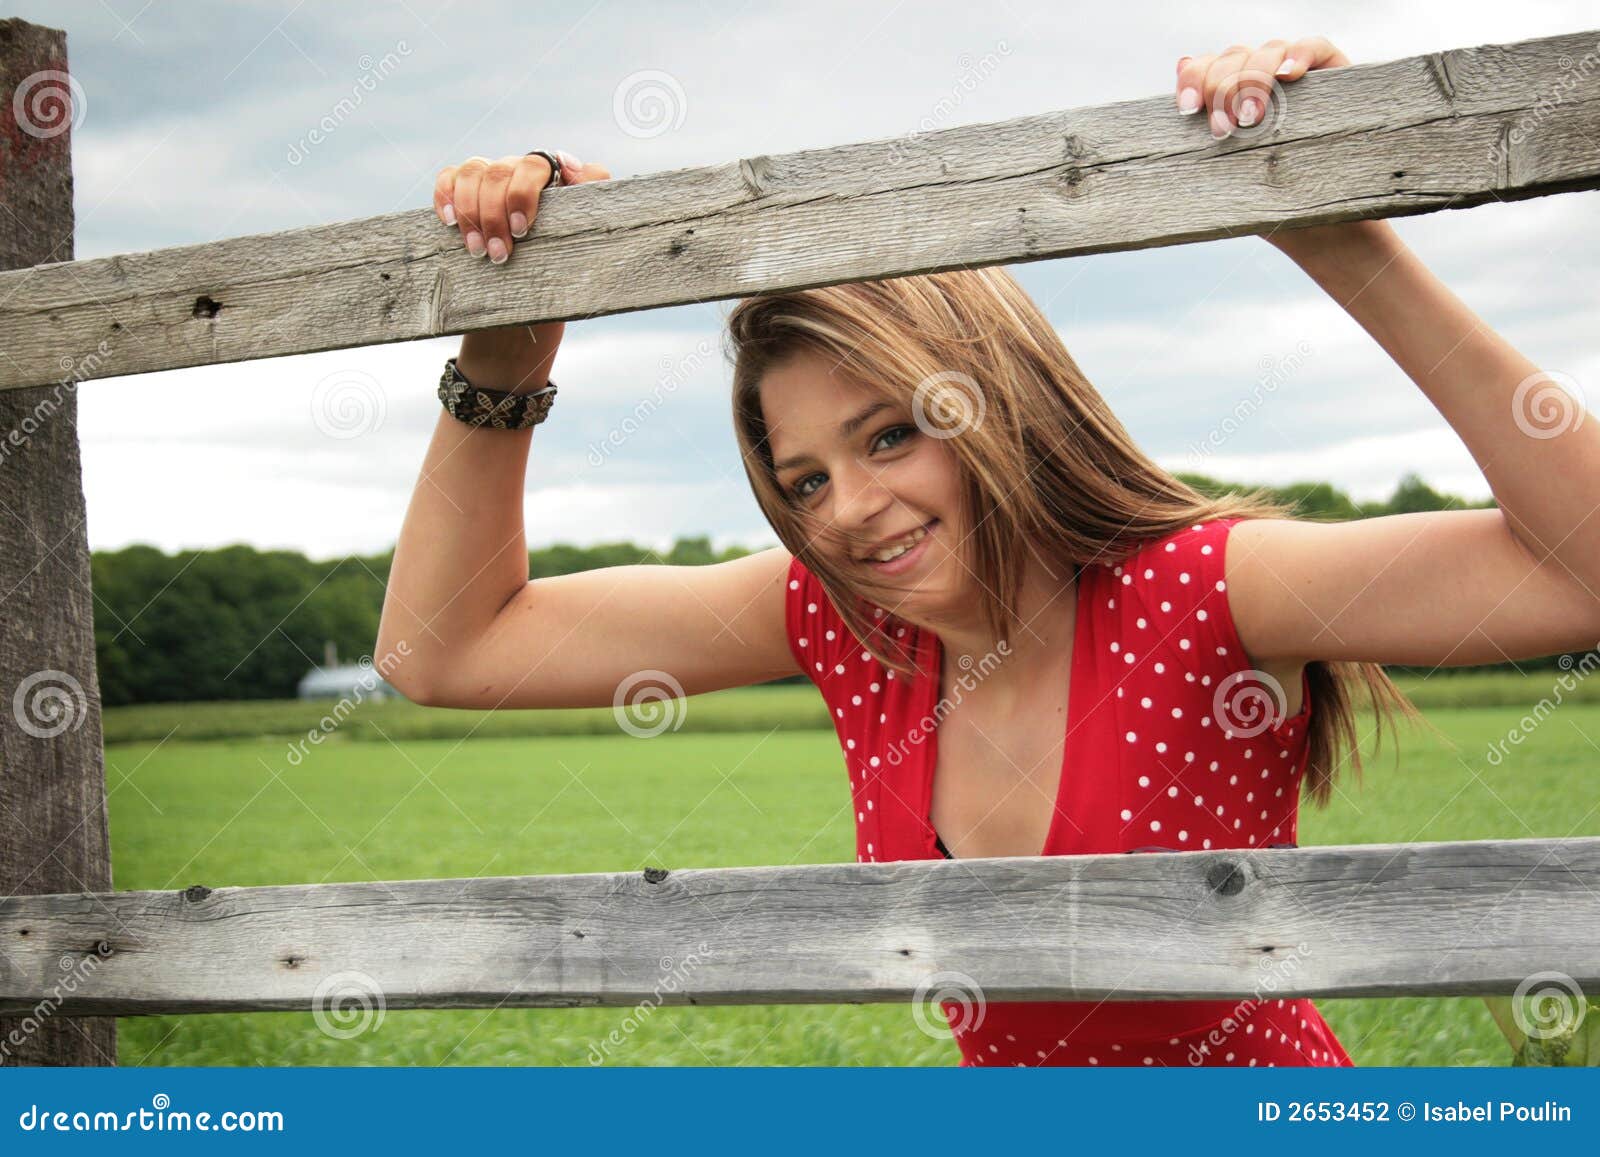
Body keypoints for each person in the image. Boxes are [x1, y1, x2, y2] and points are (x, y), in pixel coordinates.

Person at [376, 36, 1600, 1067]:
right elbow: (443, 648)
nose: (848, 508)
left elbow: (1579, 571)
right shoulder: (843, 624)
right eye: (803, 478)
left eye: (892, 433)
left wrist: (1340, 240)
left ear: (997, 400)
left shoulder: (1199, 587)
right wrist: (504, 362)